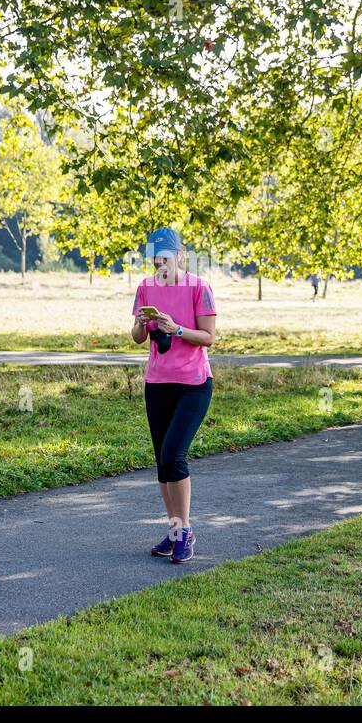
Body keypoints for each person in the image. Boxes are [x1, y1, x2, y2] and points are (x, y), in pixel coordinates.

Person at [130, 227, 217, 563]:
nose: (159, 265)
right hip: (158, 383)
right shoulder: (145, 288)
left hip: (193, 385)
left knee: (174, 455)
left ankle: (185, 532)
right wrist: (141, 323)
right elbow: (138, 337)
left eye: (165, 258)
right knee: (162, 464)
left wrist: (176, 328)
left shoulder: (199, 287)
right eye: (155, 260)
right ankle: (174, 529)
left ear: (181, 256)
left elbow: (208, 337)